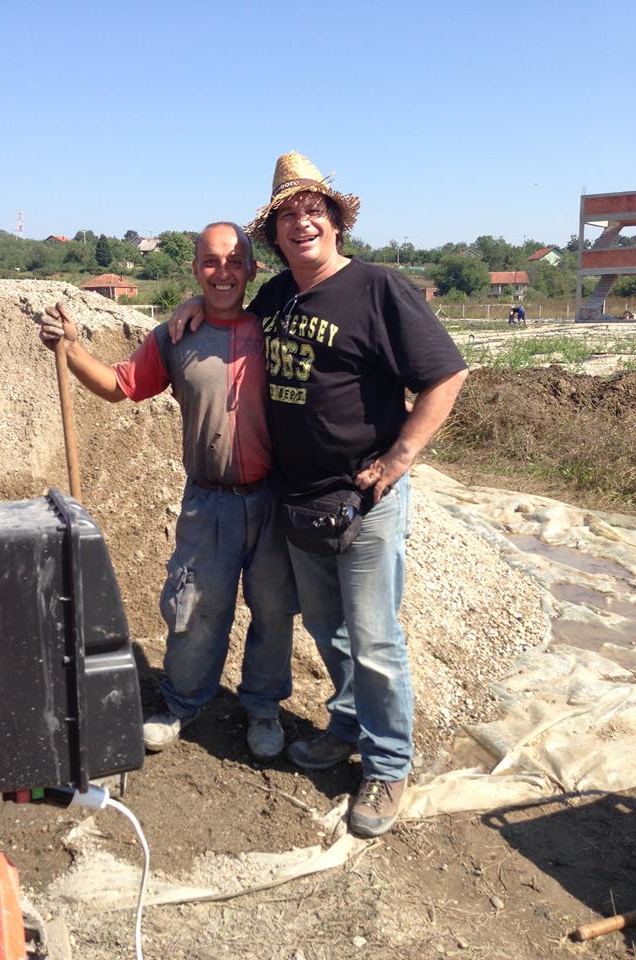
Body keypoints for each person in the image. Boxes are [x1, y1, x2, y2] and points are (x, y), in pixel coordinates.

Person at [171, 153, 468, 838]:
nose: (301, 223)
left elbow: (446, 374)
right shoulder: (278, 296)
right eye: (288, 216)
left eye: (313, 211)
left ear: (335, 222)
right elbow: (227, 310)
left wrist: (400, 457)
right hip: (298, 500)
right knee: (328, 629)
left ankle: (388, 766)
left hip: (365, 498)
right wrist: (192, 305)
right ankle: (348, 725)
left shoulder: (377, 289)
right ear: (275, 236)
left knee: (375, 638)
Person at [39, 222, 296, 761]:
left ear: (253, 269)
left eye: (234, 261)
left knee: (273, 611)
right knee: (195, 607)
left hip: (274, 499)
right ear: (195, 268)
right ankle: (182, 703)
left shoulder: (274, 331)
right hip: (209, 501)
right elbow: (118, 386)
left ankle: (263, 708)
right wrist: (72, 348)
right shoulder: (175, 337)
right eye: (210, 261)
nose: (223, 272)